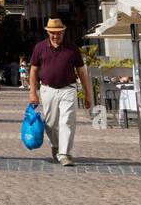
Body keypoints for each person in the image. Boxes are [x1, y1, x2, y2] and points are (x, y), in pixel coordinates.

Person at [28, 18, 93, 167]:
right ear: (48, 32)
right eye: (52, 33)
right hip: (47, 89)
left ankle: (65, 153)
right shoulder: (40, 47)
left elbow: (81, 71)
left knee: (67, 121)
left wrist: (87, 93)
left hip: (68, 89)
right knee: (50, 123)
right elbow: (34, 70)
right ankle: (56, 146)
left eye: (58, 33)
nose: (55, 36)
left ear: (63, 31)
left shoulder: (72, 49)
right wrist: (33, 92)